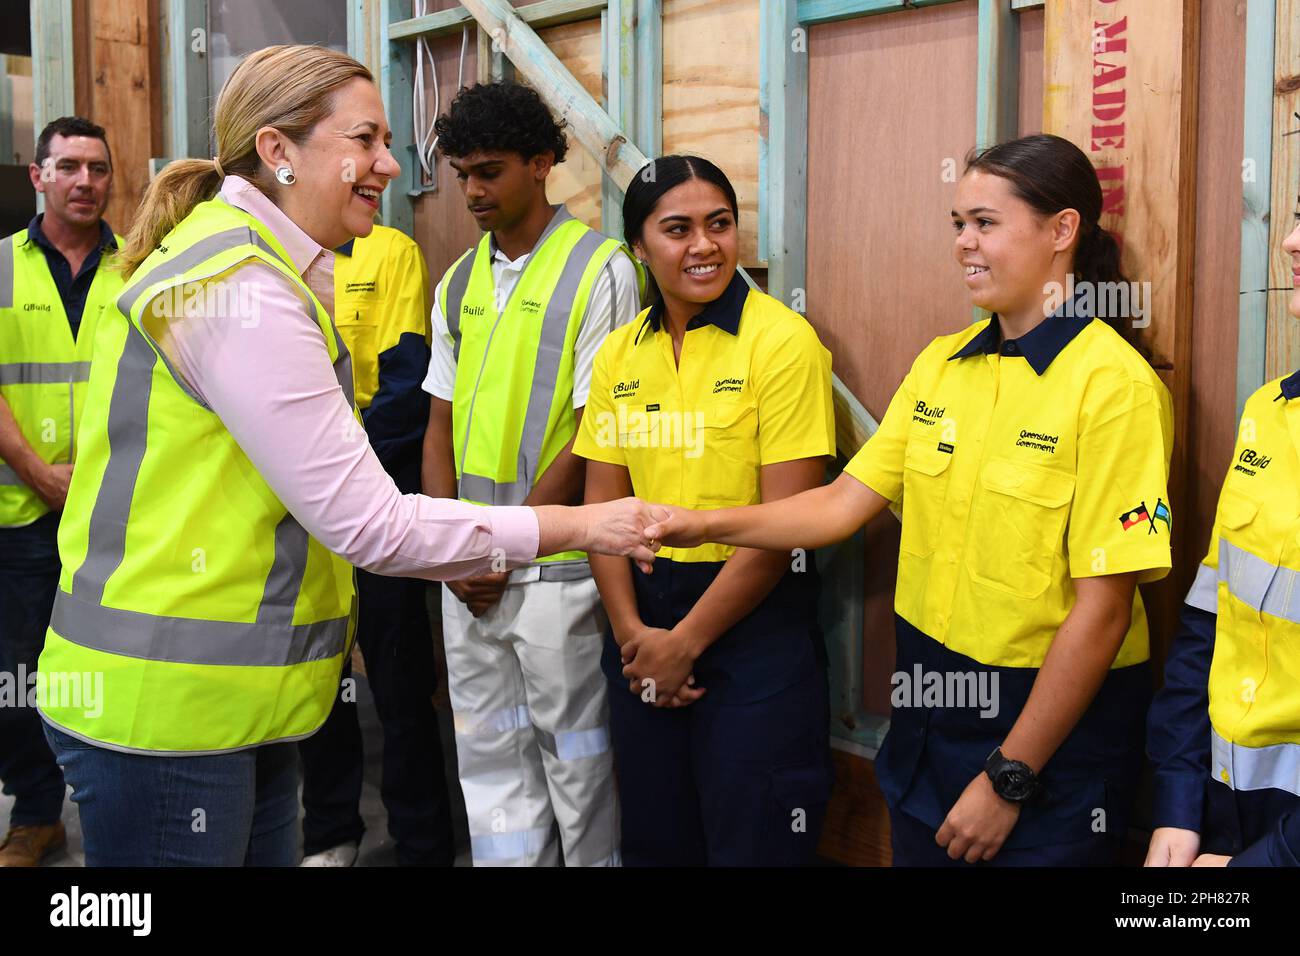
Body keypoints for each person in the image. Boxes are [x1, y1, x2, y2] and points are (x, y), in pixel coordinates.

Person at [34, 45, 656, 867]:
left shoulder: (241, 266)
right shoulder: (241, 288)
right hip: (167, 713)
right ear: (278, 151)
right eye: (365, 140)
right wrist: (584, 526)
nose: (392, 166)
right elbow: (369, 523)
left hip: (217, 706)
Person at [643, 134, 1174, 866]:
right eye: (958, 223)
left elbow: (1106, 607)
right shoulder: (941, 365)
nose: (963, 243)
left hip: (1048, 740)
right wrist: (693, 521)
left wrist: (1011, 777)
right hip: (930, 716)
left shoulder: (1114, 389)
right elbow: (838, 505)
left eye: (985, 223)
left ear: (1062, 231)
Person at [573, 155, 837, 866]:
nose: (704, 246)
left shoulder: (782, 344)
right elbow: (602, 506)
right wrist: (633, 637)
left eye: (719, 224)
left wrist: (684, 643)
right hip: (641, 627)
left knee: (753, 841)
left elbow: (787, 526)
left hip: (753, 625)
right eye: (678, 229)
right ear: (638, 248)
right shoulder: (620, 354)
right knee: (658, 841)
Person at [420, 81, 642, 867]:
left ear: (542, 164)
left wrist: (497, 546)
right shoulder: (455, 282)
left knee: (578, 763)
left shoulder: (600, 268)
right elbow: (438, 423)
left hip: (554, 568)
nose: (473, 191)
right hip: (469, 575)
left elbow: (595, 432)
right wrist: (451, 548)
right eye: (463, 174)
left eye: (490, 171)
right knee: (488, 764)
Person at [298, 224, 456, 867]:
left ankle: (423, 840)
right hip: (298, 505)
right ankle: (331, 833)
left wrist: (331, 466)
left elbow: (404, 383)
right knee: (317, 675)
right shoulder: (270, 256)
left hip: (375, 497)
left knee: (398, 673)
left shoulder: (390, 253)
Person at [1145, 214, 1300, 868]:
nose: (1291, 241)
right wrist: (1178, 806)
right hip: (1221, 810)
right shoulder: (1268, 411)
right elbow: (1207, 621)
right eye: (1295, 218)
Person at [0, 116, 123, 867]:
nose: (85, 181)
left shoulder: (138, 268)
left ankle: (112, 813)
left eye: (98, 169)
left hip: (115, 515)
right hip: (21, 508)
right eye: (69, 167)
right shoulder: (0, 267)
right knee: (18, 670)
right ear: (38, 177)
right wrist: (37, 472)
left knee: (108, 664)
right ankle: (37, 812)